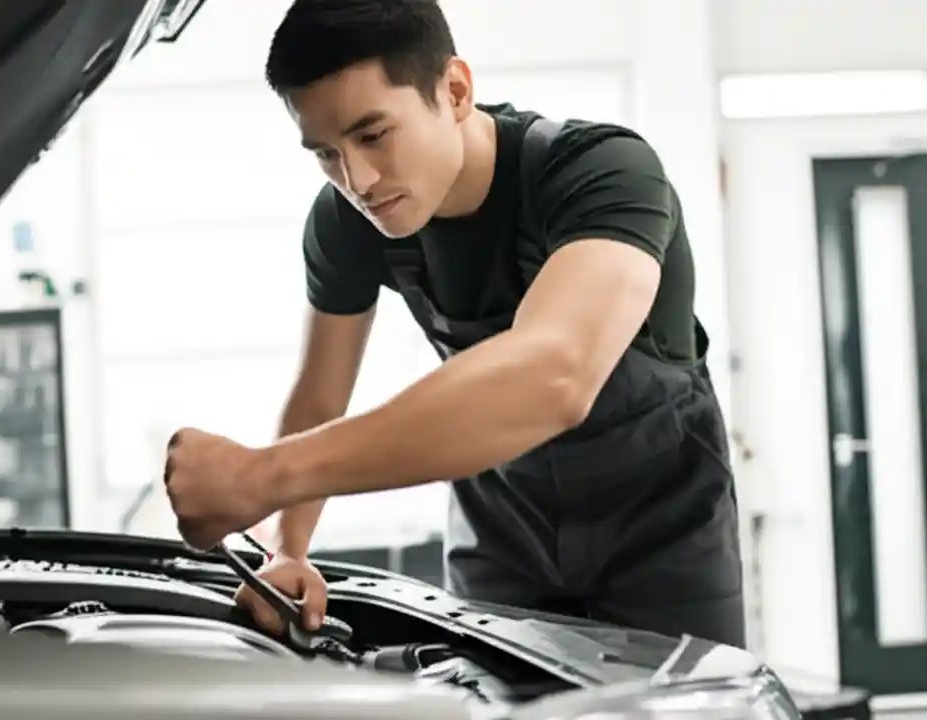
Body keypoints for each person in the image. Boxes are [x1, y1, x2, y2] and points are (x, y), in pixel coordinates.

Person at [162, 0, 744, 647]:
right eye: (326, 153)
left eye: (373, 135)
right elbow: (320, 398)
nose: (357, 180)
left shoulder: (602, 173)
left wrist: (263, 476)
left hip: (663, 541)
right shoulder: (345, 223)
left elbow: (555, 375)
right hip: (503, 544)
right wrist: (286, 549)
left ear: (456, 91)